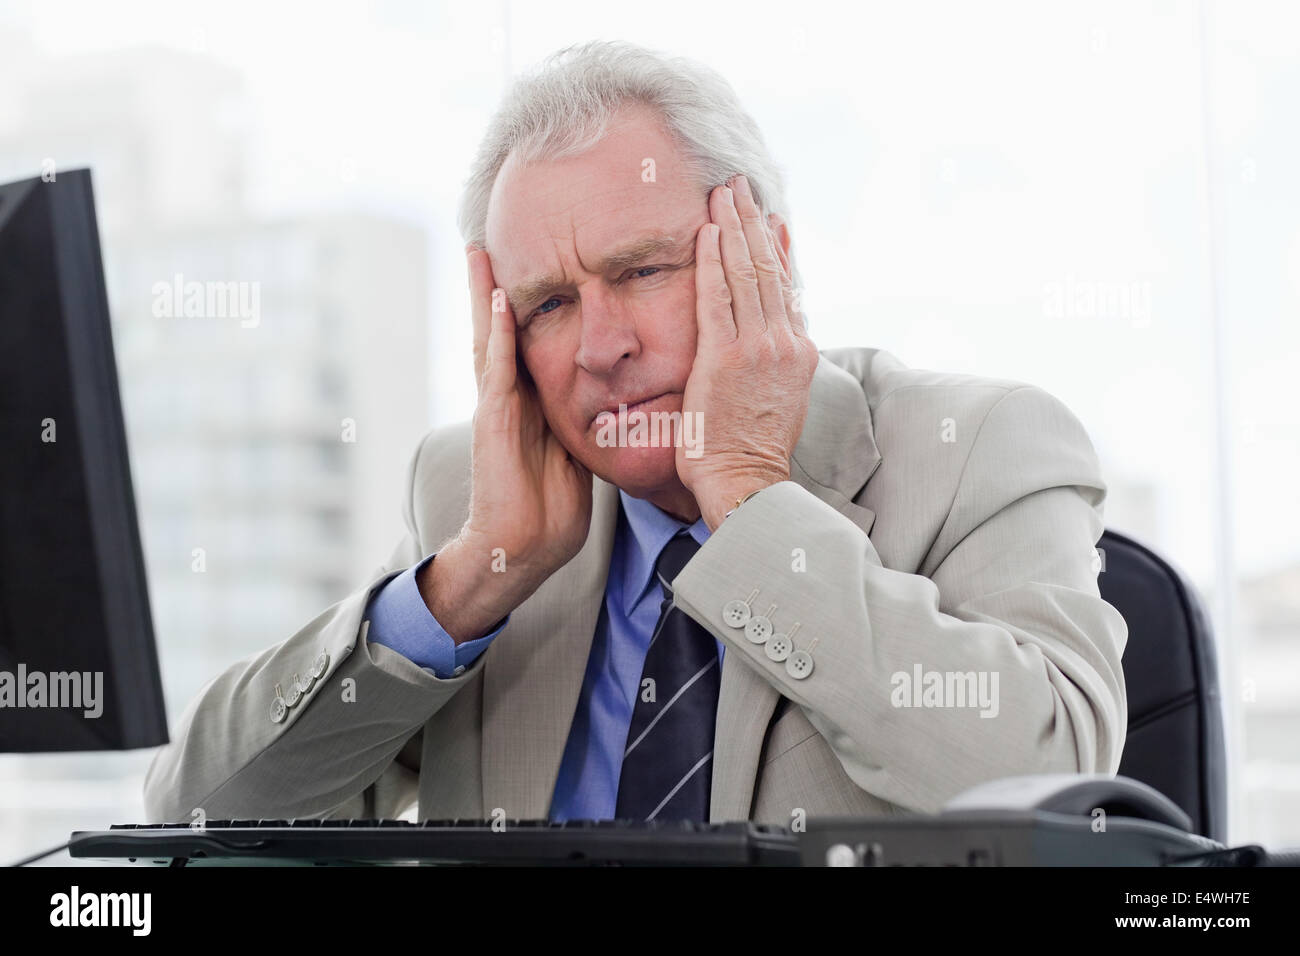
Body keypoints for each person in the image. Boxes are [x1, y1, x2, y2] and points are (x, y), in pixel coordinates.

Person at [144, 40, 1127, 827]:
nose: (601, 346)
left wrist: (748, 498)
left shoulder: (980, 447)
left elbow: (1046, 786)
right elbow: (200, 810)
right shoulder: (475, 497)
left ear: (770, 261)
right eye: (548, 304)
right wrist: (471, 580)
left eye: (643, 271)